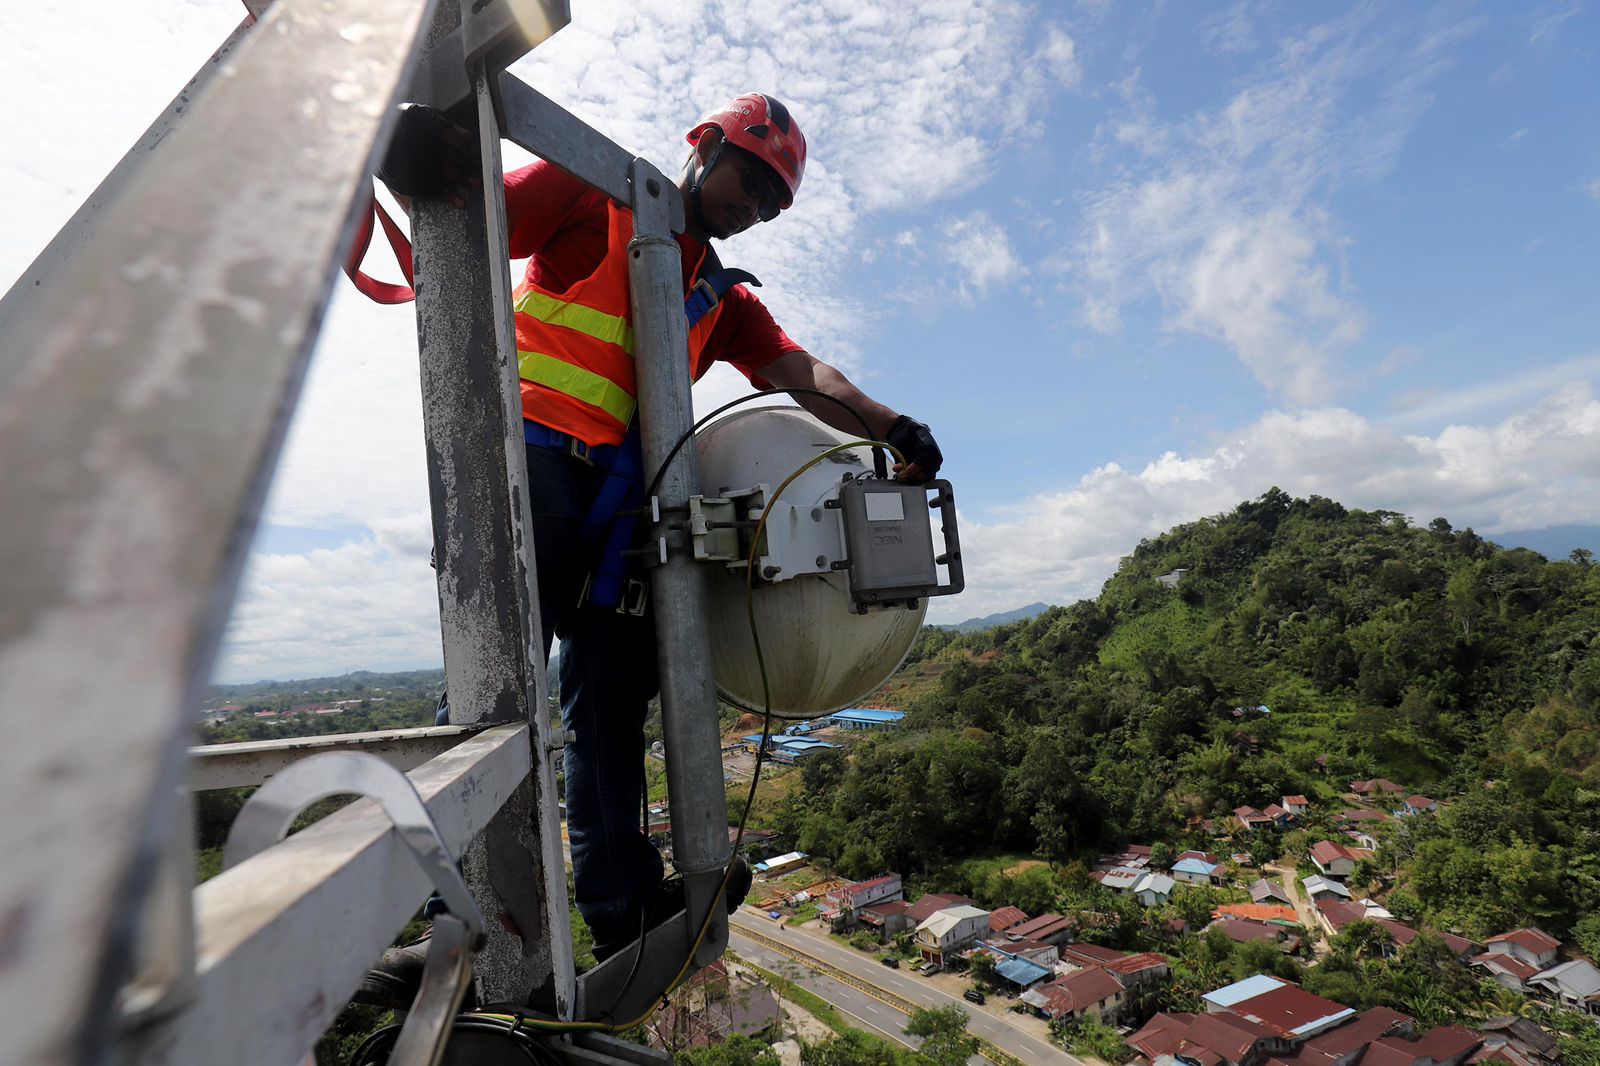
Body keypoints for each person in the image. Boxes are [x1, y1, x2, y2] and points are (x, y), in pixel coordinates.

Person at [377, 93, 943, 960]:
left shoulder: (722, 298)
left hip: (621, 515)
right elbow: (470, 206)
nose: (750, 204)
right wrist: (403, 144)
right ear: (703, 146)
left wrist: (890, 424)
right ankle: (436, 922)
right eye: (747, 177)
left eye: (769, 201)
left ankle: (625, 915)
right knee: (491, 693)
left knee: (610, 712)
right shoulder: (587, 190)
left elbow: (799, 370)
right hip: (528, 467)